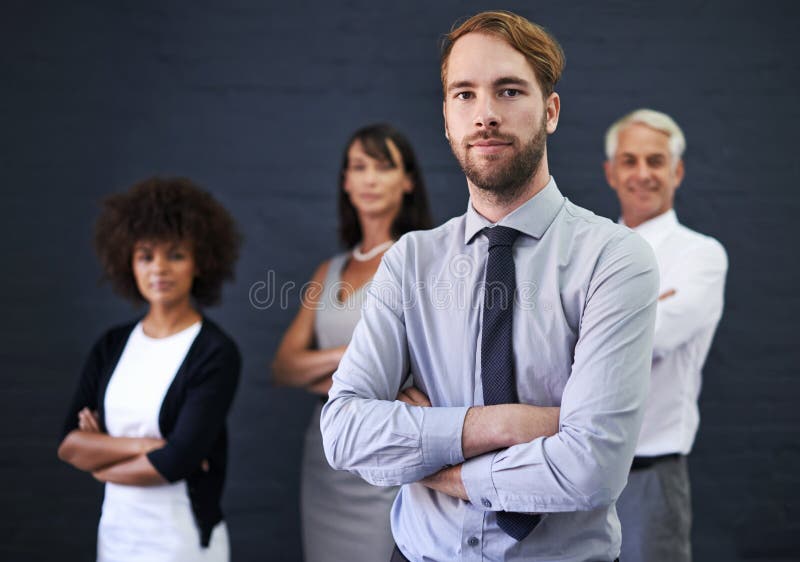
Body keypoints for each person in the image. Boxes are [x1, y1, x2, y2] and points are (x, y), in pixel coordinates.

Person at [320, 10, 660, 562]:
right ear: (446, 120)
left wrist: (434, 458)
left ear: (549, 110)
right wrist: (504, 424)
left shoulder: (614, 259)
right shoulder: (411, 260)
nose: (485, 116)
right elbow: (344, 432)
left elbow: (593, 469)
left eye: (508, 91)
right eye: (464, 95)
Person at [57, 177, 242, 561]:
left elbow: (174, 464)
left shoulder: (215, 352)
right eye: (146, 255)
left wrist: (101, 463)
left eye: (175, 254)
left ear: (200, 262)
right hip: (116, 533)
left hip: (182, 538)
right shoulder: (112, 345)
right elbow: (70, 444)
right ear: (128, 262)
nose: (159, 268)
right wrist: (149, 446)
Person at [272, 123, 433, 562]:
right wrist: (358, 362)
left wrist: (331, 374)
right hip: (325, 457)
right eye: (358, 167)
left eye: (383, 167)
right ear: (345, 181)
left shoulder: (419, 260)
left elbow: (419, 372)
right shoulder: (328, 270)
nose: (369, 178)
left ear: (408, 181)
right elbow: (285, 366)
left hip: (386, 454)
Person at [603, 109, 728, 562]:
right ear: (610, 172)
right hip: (579, 472)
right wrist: (643, 307)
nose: (642, 174)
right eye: (629, 160)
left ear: (677, 171)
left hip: (650, 478)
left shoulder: (701, 255)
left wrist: (589, 320)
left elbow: (651, 342)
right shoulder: (587, 253)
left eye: (655, 162)